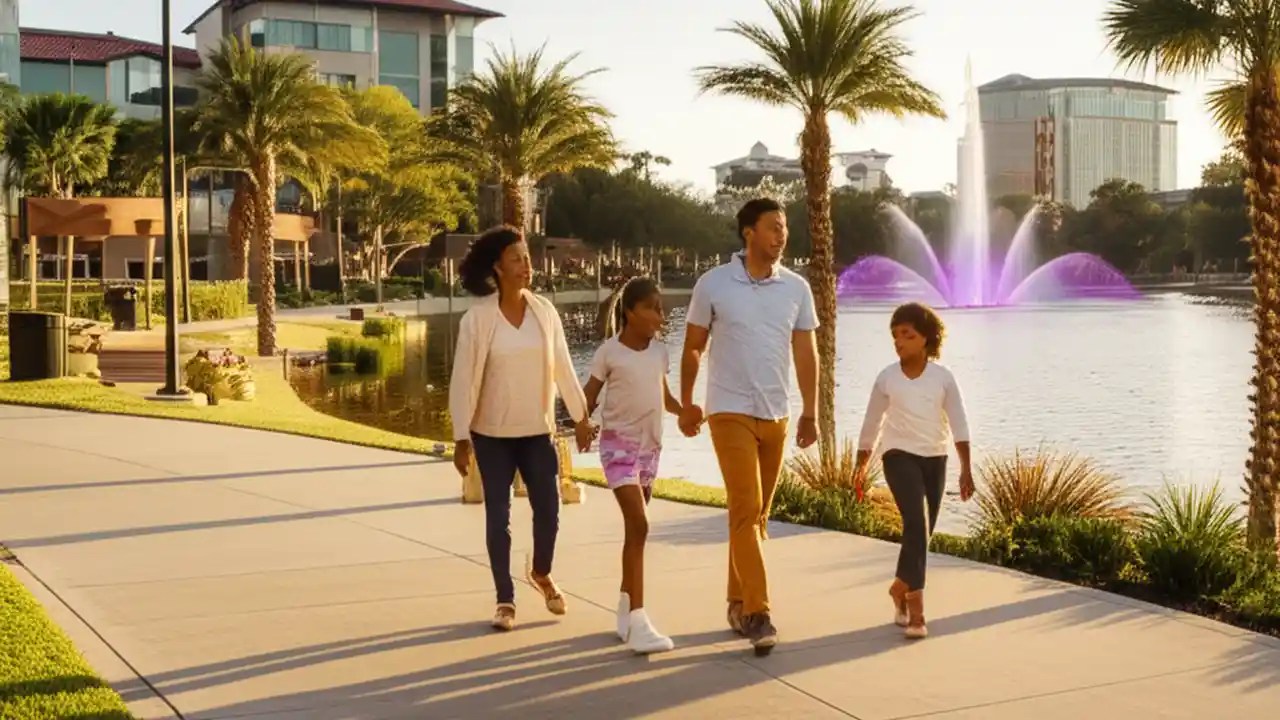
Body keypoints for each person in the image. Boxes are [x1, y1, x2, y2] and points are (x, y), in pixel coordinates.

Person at [678, 198, 819, 655]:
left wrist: (810, 411)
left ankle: (737, 602)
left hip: (775, 411)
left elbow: (806, 353)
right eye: (773, 227)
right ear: (748, 232)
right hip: (728, 409)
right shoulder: (714, 283)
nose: (781, 235)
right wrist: (686, 402)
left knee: (756, 517)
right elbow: (694, 345)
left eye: (785, 228)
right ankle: (758, 613)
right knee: (745, 506)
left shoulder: (796, 288)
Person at [448, 226, 596, 632]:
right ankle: (504, 599)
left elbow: (563, 366)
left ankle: (542, 572)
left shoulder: (543, 311)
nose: (526, 266)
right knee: (499, 517)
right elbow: (463, 380)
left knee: (548, 510)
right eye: (517, 259)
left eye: (528, 258)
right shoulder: (478, 319)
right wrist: (462, 436)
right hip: (491, 434)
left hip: (536, 431)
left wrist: (581, 418)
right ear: (497, 267)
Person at [854, 302, 973, 640]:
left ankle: (899, 587)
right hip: (897, 454)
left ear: (926, 338)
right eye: (895, 336)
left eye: (907, 334)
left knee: (922, 533)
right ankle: (917, 611)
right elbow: (872, 422)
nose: (899, 341)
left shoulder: (943, 378)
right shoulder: (887, 377)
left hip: (935, 457)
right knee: (917, 524)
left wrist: (966, 468)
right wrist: (861, 466)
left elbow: (960, 423)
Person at [583, 277, 680, 654]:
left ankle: (625, 606)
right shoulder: (609, 353)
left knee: (634, 533)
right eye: (653, 308)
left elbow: (665, 396)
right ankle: (639, 620)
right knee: (639, 523)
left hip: (649, 450)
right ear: (630, 312)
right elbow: (588, 397)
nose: (660, 315)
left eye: (661, 308)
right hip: (618, 448)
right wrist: (581, 422)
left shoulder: (659, 353)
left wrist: (686, 412)